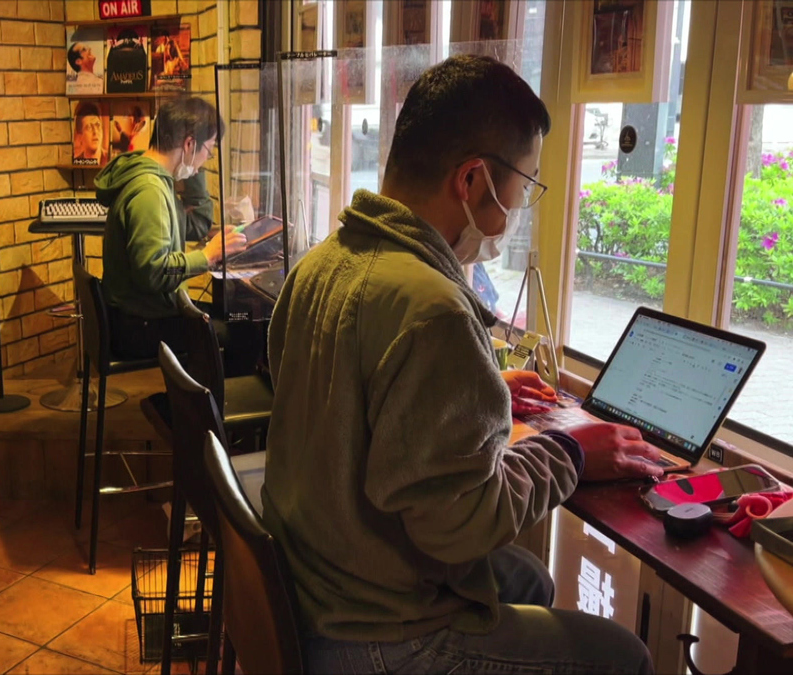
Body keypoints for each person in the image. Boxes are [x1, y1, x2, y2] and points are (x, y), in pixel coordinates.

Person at [264, 55, 661, 674]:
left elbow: (351, 397)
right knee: (624, 657)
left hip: (311, 581)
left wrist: (485, 389)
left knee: (524, 579)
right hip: (377, 633)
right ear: (473, 180)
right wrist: (574, 454)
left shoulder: (322, 263)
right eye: (523, 188)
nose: (518, 209)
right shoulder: (433, 311)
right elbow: (460, 526)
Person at [95, 97, 246, 361]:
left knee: (235, 319)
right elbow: (154, 272)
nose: (204, 162)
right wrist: (207, 256)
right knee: (240, 331)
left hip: (140, 314)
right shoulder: (150, 191)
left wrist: (192, 168)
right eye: (207, 152)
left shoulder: (156, 178)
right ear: (189, 144)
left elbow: (195, 225)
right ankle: (194, 403)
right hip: (140, 324)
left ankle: (184, 401)